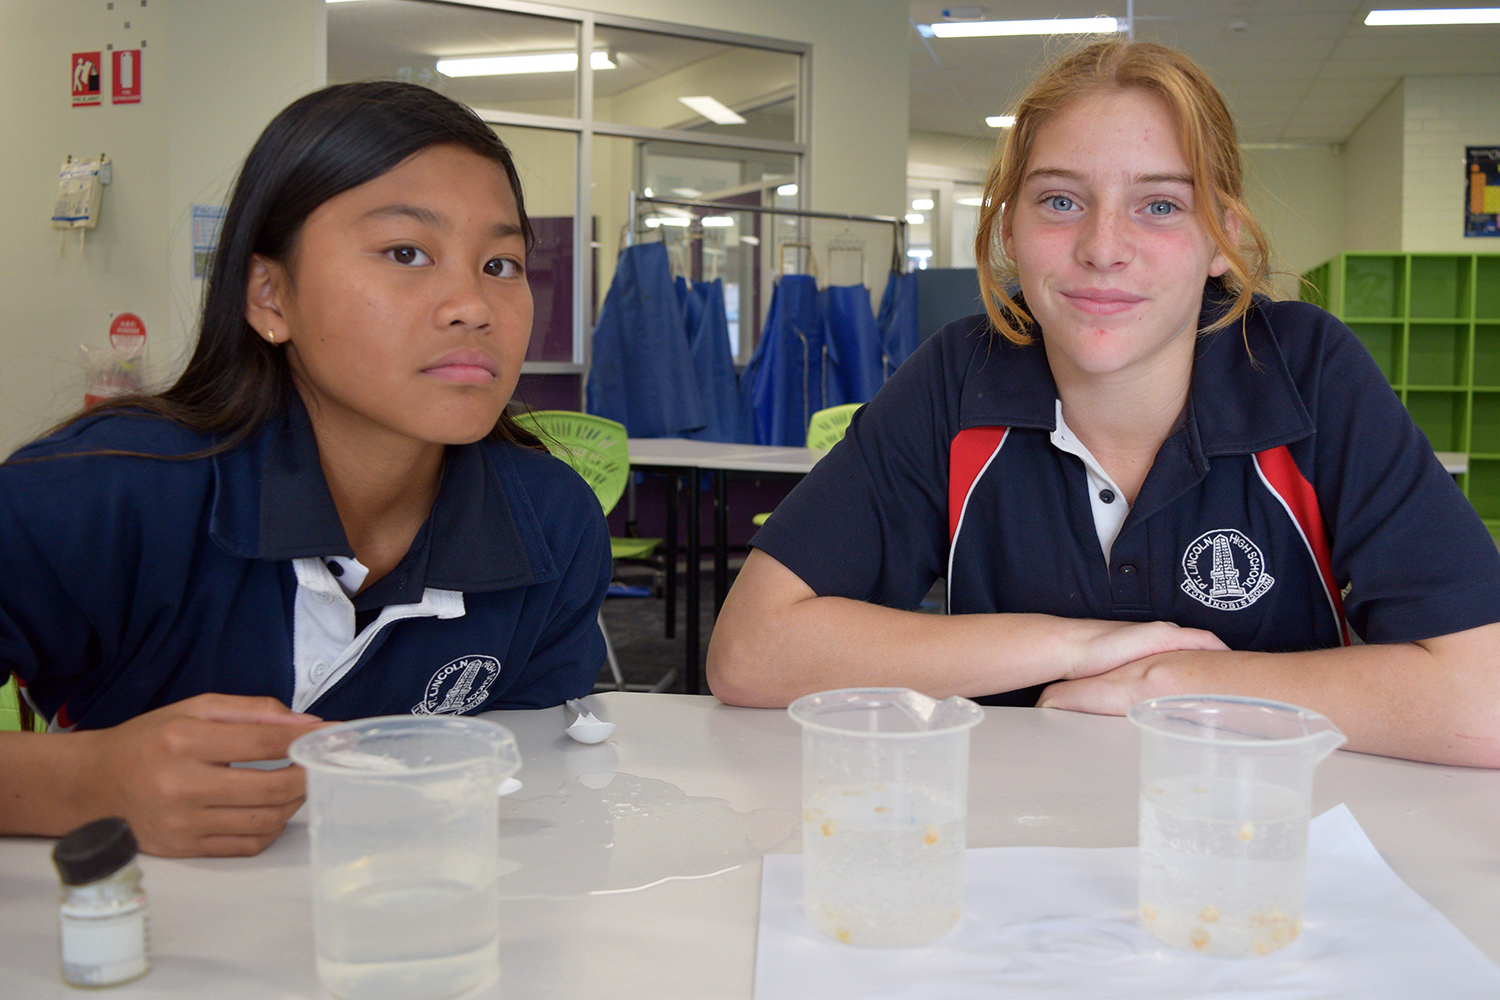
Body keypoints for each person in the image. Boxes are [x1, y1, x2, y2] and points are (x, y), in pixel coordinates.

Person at [707, 40, 1500, 768]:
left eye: (1159, 204)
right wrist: (1078, 647)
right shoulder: (959, 376)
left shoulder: (1305, 372)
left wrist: (1167, 687)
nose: (1103, 245)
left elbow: (1483, 701)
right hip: (1017, 848)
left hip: (1259, 842)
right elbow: (751, 652)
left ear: (1222, 235)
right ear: (1009, 228)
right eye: (1060, 201)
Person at [0, 82, 612, 856]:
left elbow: (544, 774)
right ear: (269, 295)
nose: (473, 305)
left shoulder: (551, 521)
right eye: (405, 253)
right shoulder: (97, 495)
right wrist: (88, 783)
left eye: (501, 263)